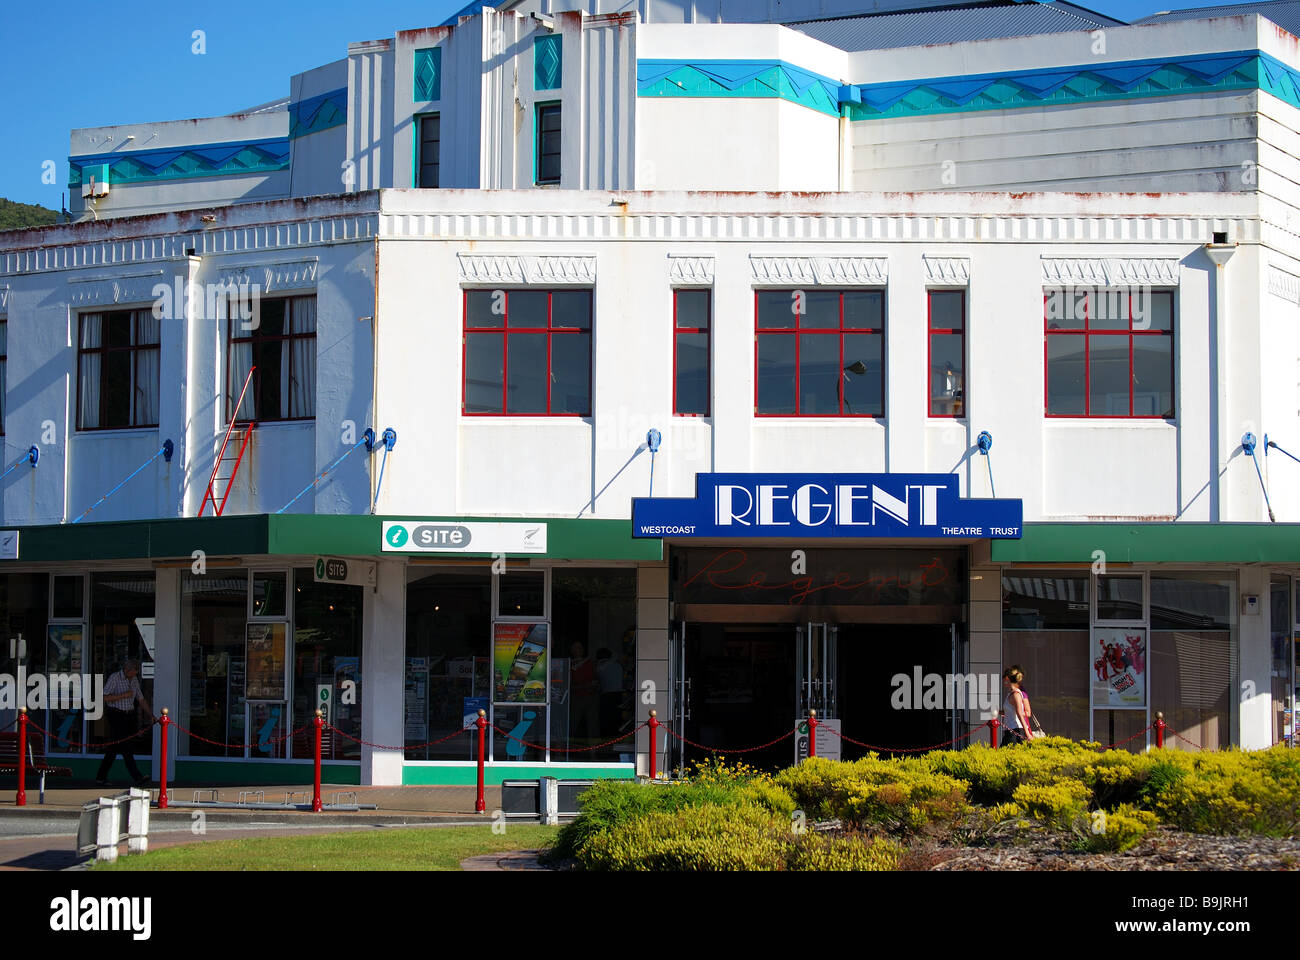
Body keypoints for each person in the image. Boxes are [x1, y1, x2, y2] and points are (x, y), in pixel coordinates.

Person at [96, 660, 153, 787]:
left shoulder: (134, 680)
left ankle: (100, 776)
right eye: (132, 673)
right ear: (127, 670)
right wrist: (123, 696)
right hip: (116, 714)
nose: (134, 675)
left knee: (114, 748)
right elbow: (104, 697)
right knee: (125, 746)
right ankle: (137, 777)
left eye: (135, 673)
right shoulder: (115, 678)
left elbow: (141, 698)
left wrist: (150, 714)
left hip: (129, 715)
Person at [1001, 665, 1036, 745]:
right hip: (1010, 730)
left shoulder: (1016, 694)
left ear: (1007, 679)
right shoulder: (1011, 693)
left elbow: (1020, 714)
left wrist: (1028, 734)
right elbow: (1012, 711)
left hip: (1015, 731)